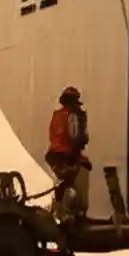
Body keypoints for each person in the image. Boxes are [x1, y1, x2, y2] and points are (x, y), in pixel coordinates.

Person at [46, 86, 91, 223]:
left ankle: (60, 211)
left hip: (54, 156)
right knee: (81, 179)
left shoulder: (57, 115)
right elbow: (76, 137)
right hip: (67, 155)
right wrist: (75, 157)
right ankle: (74, 214)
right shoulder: (74, 116)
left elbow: (53, 137)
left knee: (64, 184)